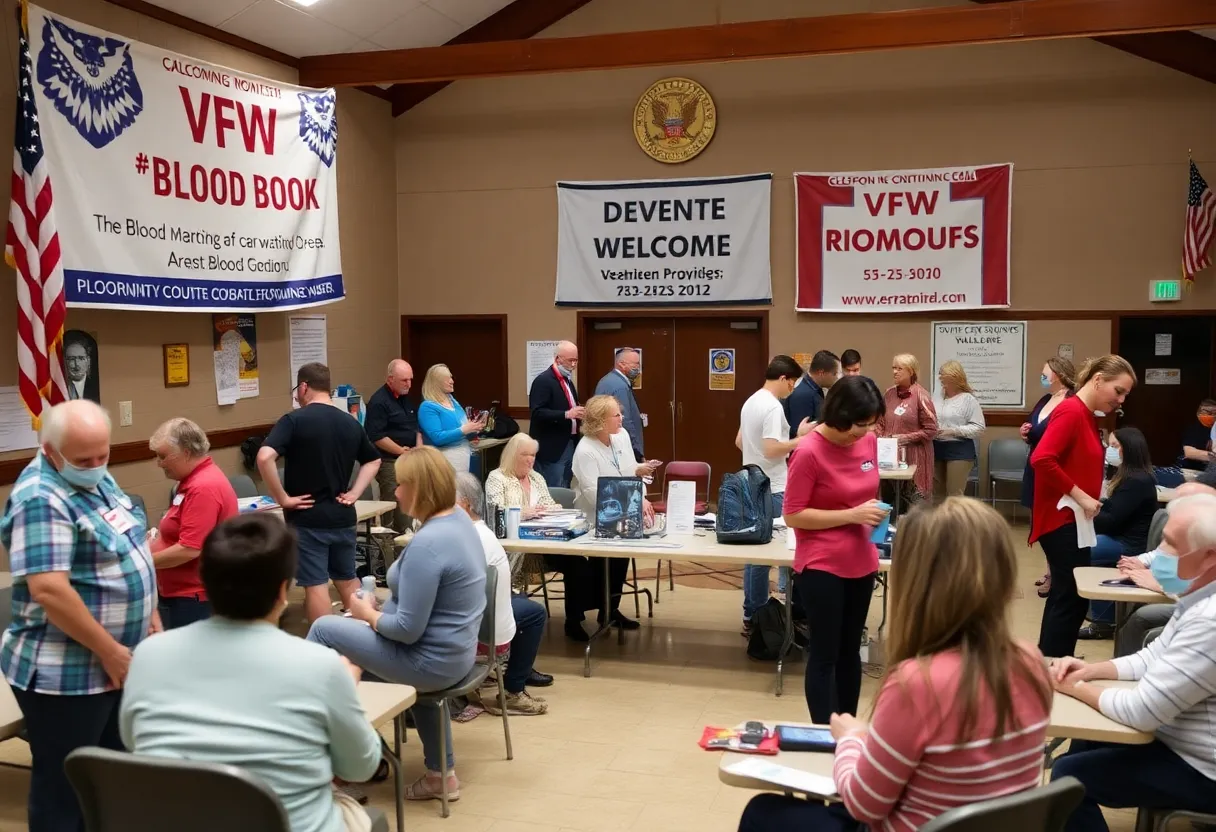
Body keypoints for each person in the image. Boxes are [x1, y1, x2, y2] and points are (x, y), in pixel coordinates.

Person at [742, 498, 1052, 831]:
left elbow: (863, 804)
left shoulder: (916, 684)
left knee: (763, 812)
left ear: (918, 585)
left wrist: (851, 740)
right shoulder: (1031, 661)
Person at [121, 514, 383, 832]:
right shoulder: (320, 667)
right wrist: (346, 691)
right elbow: (360, 766)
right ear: (282, 591)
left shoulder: (149, 656)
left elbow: (134, 741)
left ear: (205, 581)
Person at [0, 400, 157, 832]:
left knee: (111, 777)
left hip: (116, 658)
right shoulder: (39, 496)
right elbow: (48, 589)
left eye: (103, 455)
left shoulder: (94, 473)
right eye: (84, 459)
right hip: (66, 672)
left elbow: (128, 541)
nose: (96, 466)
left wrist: (151, 611)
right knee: (66, 788)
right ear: (50, 451)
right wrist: (110, 652)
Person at [308, 446, 486, 802]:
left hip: (429, 662)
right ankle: (438, 773)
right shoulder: (459, 522)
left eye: (402, 485)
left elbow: (407, 631)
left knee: (324, 631)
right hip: (457, 654)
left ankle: (332, 761)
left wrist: (366, 614)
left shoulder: (429, 543)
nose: (396, 492)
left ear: (420, 488)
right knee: (349, 658)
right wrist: (379, 613)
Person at [1050, 492, 1216, 831]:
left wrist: (1075, 687)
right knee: (1084, 744)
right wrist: (1093, 671)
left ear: (1209, 556)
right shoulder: (1199, 599)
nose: (1160, 555)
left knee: (1069, 779)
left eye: (1170, 544)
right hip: (1181, 742)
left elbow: (1141, 712)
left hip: (1203, 769)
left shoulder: (1209, 620)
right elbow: (1152, 656)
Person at [783, 375, 886, 723]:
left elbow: (870, 490)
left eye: (871, 423)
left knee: (850, 653)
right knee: (825, 653)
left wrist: (874, 517)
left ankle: (848, 728)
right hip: (822, 565)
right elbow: (793, 514)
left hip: (863, 560)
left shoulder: (868, 441)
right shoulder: (808, 451)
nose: (865, 431)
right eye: (859, 424)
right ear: (839, 414)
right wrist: (851, 515)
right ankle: (823, 734)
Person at [257, 362, 381, 624]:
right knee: (347, 579)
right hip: (343, 514)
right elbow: (374, 460)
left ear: (303, 387)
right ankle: (364, 636)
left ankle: (322, 644)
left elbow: (264, 457)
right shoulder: (350, 422)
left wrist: (283, 499)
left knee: (316, 585)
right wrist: (355, 492)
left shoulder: (293, 421)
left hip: (308, 518)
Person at [1031, 354, 1136, 659]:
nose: (1121, 400)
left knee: (1067, 596)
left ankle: (1051, 661)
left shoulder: (1085, 414)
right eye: (1119, 391)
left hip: (1073, 520)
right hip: (1062, 519)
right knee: (1070, 598)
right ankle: (1054, 665)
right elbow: (1042, 459)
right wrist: (1081, 495)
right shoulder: (1072, 411)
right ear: (1098, 379)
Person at [454, 473, 551, 715]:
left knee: (525, 606)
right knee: (534, 612)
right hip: (476, 621)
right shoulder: (477, 532)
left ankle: (507, 682)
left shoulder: (463, 534)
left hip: (473, 620)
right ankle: (514, 689)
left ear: (463, 504)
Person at [569, 395, 659, 640]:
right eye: (616, 415)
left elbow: (630, 471)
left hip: (625, 509)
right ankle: (582, 614)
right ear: (599, 420)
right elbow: (592, 492)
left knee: (621, 559)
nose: (622, 418)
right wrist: (633, 500)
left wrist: (641, 494)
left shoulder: (621, 437)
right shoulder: (585, 450)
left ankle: (611, 609)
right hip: (595, 514)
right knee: (599, 564)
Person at [735, 355, 813, 635]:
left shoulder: (751, 401)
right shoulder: (772, 407)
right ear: (783, 379)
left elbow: (740, 441)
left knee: (755, 553)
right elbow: (771, 449)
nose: (791, 391)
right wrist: (801, 440)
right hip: (772, 486)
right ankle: (759, 615)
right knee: (769, 554)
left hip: (751, 482)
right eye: (791, 385)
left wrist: (792, 434)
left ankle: (751, 613)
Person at [147, 417, 238, 629]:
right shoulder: (191, 481)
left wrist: (141, 561)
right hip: (184, 594)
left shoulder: (202, 487)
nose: (159, 463)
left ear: (186, 453)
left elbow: (189, 549)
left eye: (162, 456)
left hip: (192, 597)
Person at [1079, 427, 1159, 639]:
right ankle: (1101, 618)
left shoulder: (1136, 481)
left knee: (1082, 549)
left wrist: (1087, 510)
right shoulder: (1130, 475)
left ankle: (1100, 620)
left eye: (1115, 446)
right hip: (1121, 536)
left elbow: (1110, 522)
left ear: (1129, 449)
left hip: (1129, 543)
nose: (1110, 450)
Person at [1022, 356, 1076, 598]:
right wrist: (1026, 432)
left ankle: (1056, 574)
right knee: (1040, 519)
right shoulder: (1045, 399)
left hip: (1055, 468)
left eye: (1045, 373)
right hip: (1035, 463)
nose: (1042, 376)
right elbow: (1037, 428)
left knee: (1054, 521)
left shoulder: (1071, 401)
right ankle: (1048, 570)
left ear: (1058, 374)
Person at [364, 359, 421, 532]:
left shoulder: (405, 398)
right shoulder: (379, 402)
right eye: (404, 380)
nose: (409, 384)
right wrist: (401, 451)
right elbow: (376, 436)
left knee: (408, 509)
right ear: (390, 379)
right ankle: (387, 554)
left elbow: (415, 427)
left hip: (409, 458)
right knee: (392, 508)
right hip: (389, 462)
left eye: (410, 379)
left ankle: (405, 546)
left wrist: (418, 448)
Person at [879, 353, 938, 503]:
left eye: (899, 368)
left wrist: (903, 438)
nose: (894, 372)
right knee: (890, 502)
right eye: (893, 368)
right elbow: (880, 422)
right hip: (890, 458)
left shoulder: (921, 395)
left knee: (914, 505)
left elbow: (931, 430)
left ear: (911, 371)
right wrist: (877, 437)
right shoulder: (889, 394)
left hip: (915, 458)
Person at [529, 340, 583, 488]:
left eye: (576, 360)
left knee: (565, 485)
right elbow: (537, 413)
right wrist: (566, 414)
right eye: (570, 360)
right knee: (554, 488)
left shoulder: (567, 381)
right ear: (558, 359)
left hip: (569, 441)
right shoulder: (543, 380)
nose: (574, 364)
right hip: (552, 447)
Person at [418, 364, 485, 474]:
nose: (452, 381)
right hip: (444, 461)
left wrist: (474, 429)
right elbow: (437, 438)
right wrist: (464, 430)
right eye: (447, 378)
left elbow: (463, 429)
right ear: (436, 382)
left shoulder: (452, 401)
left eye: (451, 377)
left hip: (464, 458)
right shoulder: (427, 407)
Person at [932, 360, 985, 499]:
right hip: (936, 447)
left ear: (955, 378)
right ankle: (938, 522)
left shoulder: (968, 400)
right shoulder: (936, 397)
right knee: (937, 495)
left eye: (944, 377)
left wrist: (953, 430)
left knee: (954, 496)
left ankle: (954, 521)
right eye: (940, 376)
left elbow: (979, 428)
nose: (941, 380)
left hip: (959, 450)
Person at [486, 433, 558, 519]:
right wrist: (521, 513)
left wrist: (552, 509)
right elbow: (496, 513)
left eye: (532, 455)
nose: (530, 460)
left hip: (539, 529)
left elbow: (549, 504)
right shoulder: (496, 477)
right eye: (524, 454)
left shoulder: (537, 477)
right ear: (512, 456)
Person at [593, 348, 644, 462]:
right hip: (621, 449)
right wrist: (638, 452)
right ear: (621, 364)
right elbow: (625, 421)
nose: (638, 368)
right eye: (635, 364)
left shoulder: (607, 380)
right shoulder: (619, 386)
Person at [783, 350, 839, 438]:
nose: (837, 377)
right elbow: (798, 432)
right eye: (835, 373)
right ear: (821, 373)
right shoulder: (803, 395)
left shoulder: (815, 390)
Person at [1178, 398, 1216, 470]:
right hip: (1191, 470)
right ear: (1198, 413)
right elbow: (1189, 453)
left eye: (1215, 413)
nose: (1212, 416)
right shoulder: (1193, 429)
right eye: (1208, 413)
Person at [63, 331, 99, 403]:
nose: (77, 364)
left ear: (88, 361)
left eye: (81, 358)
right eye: (71, 359)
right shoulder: (59, 388)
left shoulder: (94, 388)